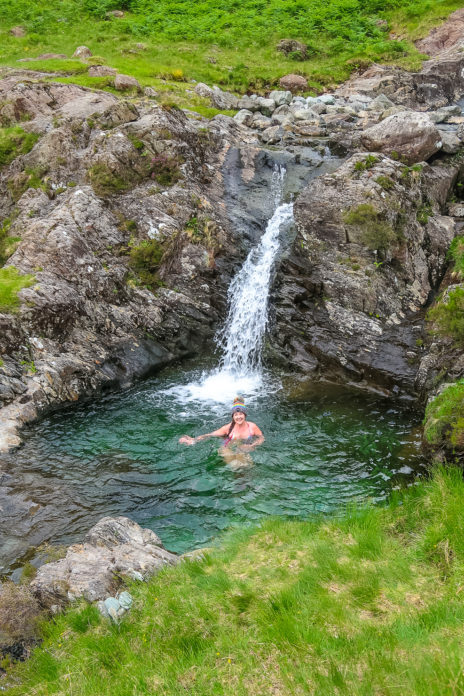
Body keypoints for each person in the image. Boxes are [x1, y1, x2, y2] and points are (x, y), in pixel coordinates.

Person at [179, 396, 264, 452]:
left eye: (241, 414)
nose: (239, 417)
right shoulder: (228, 428)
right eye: (236, 415)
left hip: (243, 449)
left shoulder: (252, 427)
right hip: (227, 448)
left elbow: (261, 438)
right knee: (234, 463)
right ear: (233, 417)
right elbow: (210, 435)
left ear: (245, 415)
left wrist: (252, 446)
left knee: (245, 465)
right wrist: (194, 440)